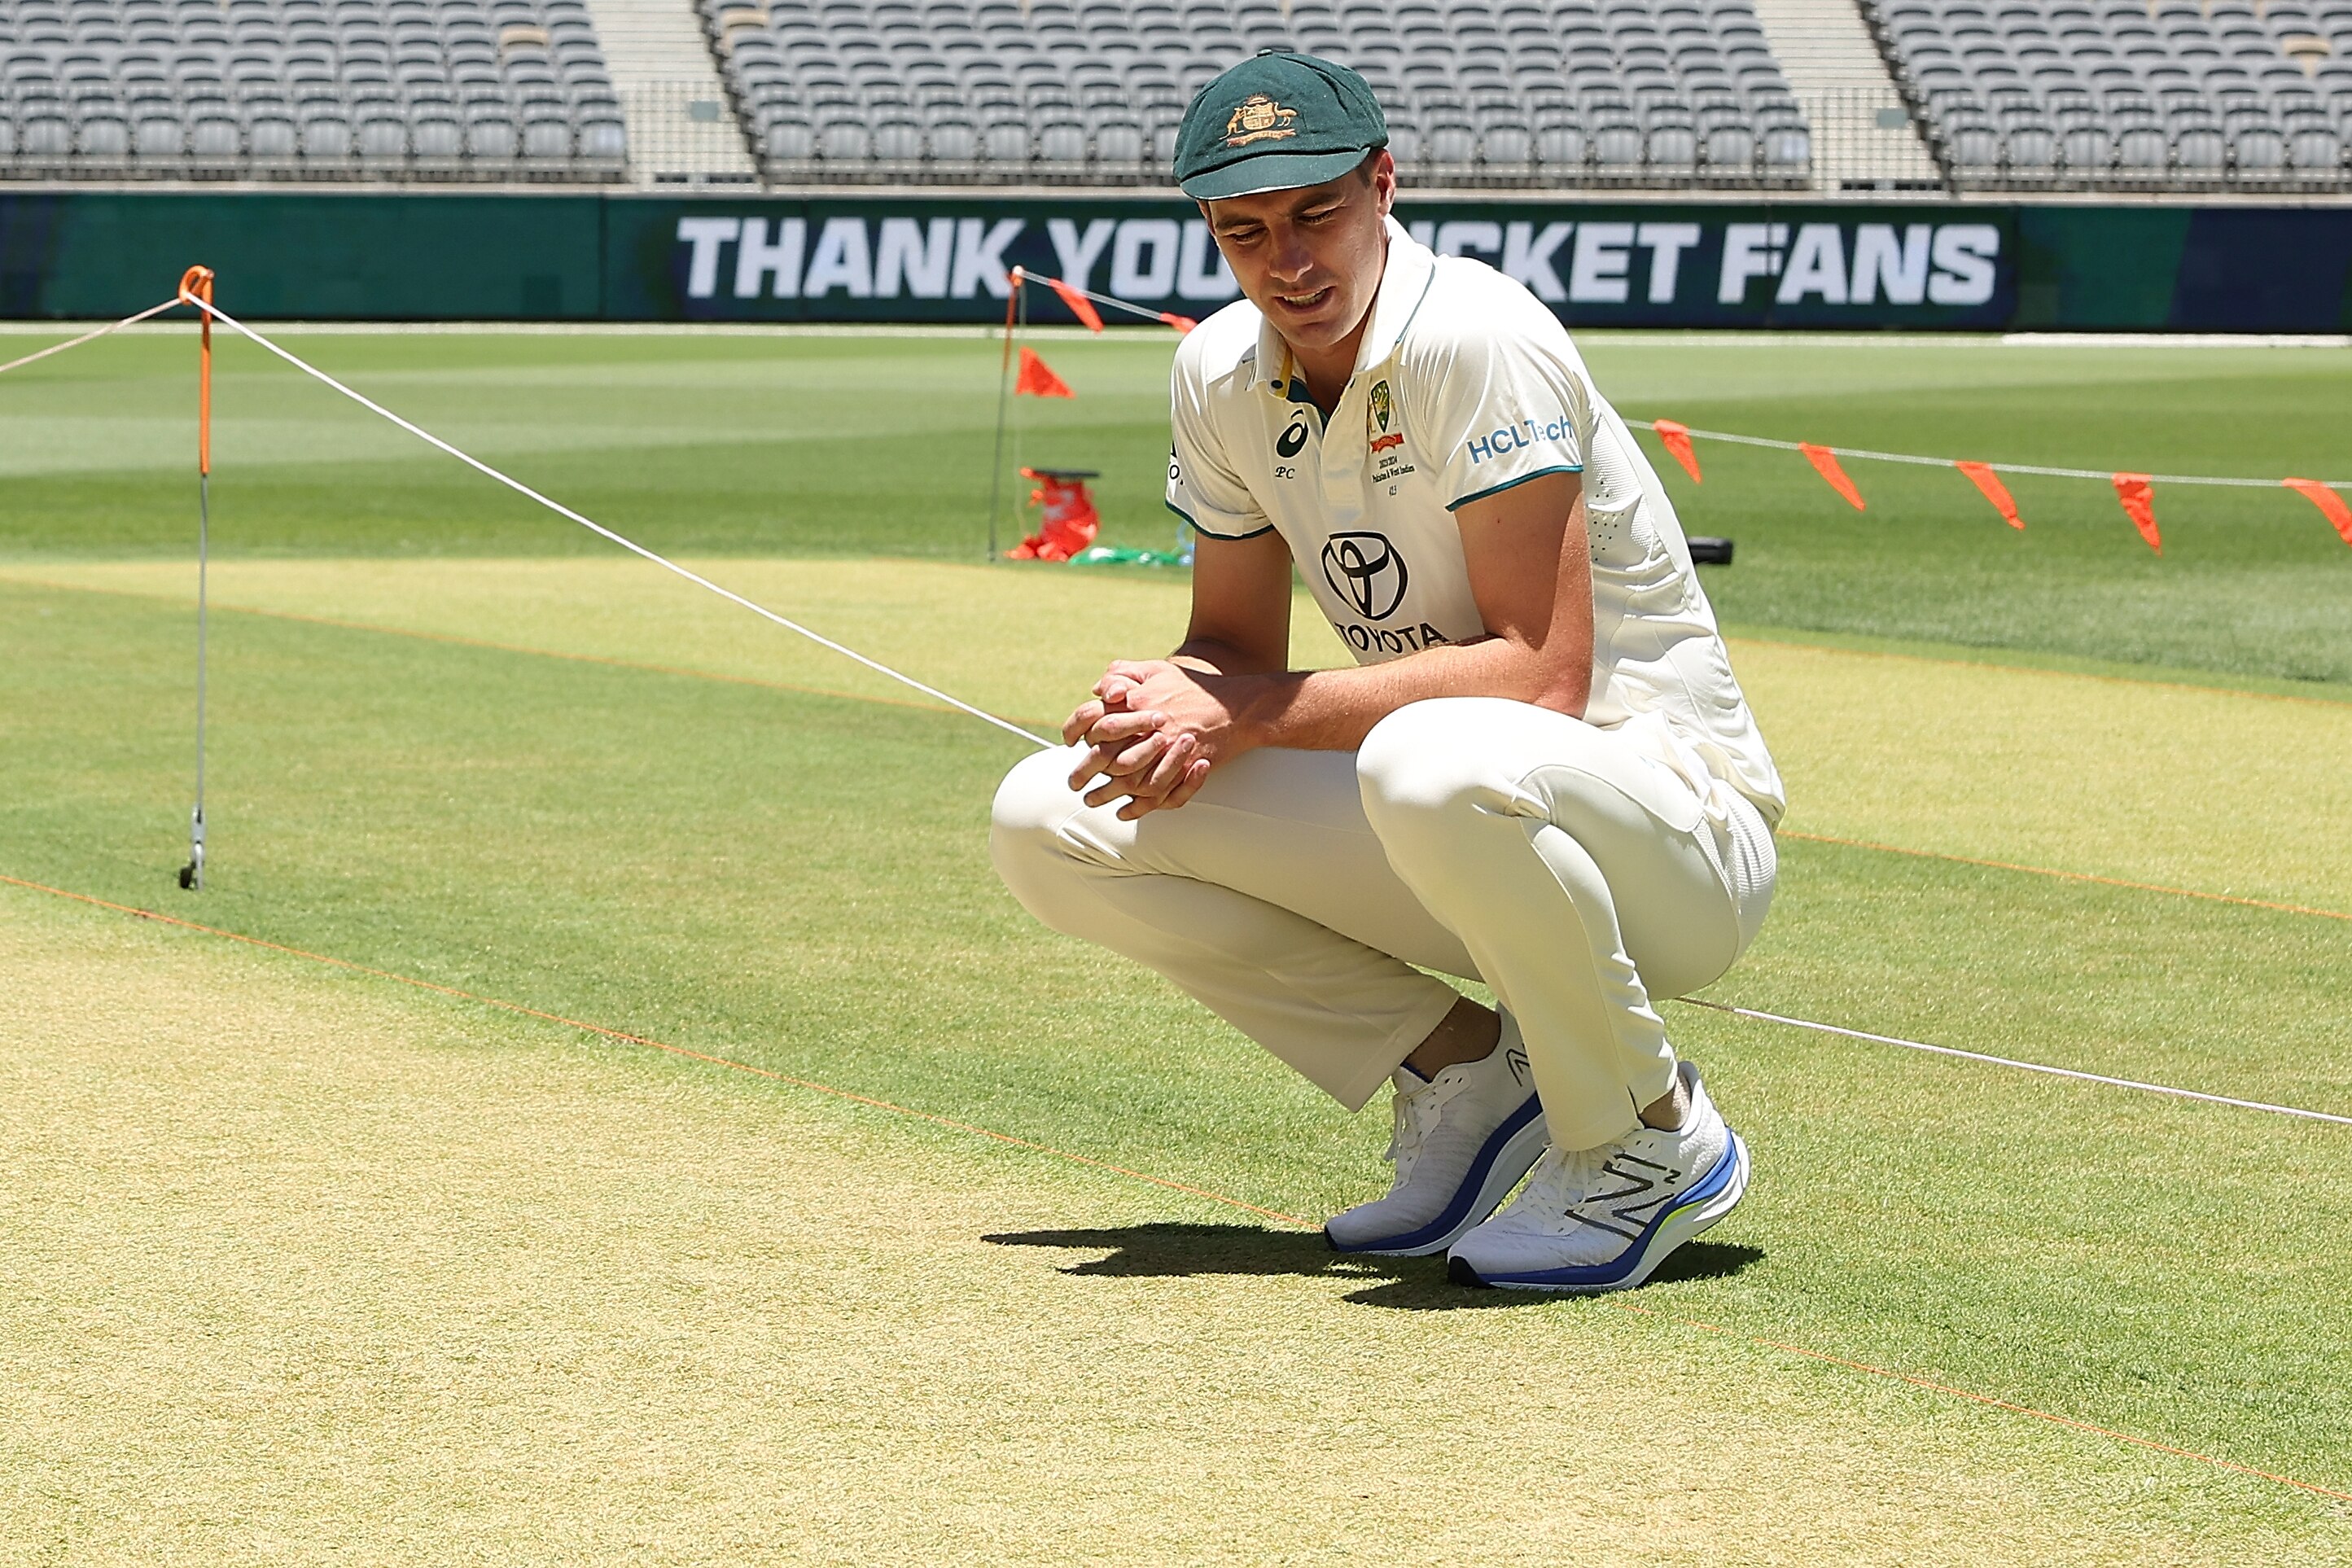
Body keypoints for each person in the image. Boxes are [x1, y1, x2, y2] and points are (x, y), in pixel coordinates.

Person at [989, 50, 1785, 1291]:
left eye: (1315, 213)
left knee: (1430, 757)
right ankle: (1465, 1073)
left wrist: (1246, 709)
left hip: (1675, 833)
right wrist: (1167, 705)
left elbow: (1539, 676)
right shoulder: (1217, 370)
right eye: (1245, 231)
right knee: (1050, 815)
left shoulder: (1475, 336)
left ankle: (1645, 1135)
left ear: (1381, 184)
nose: (1287, 260)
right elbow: (1232, 649)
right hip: (1459, 815)